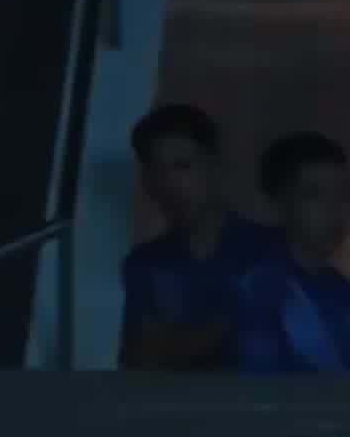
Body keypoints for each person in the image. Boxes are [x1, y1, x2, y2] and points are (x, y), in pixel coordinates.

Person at [119, 103, 278, 370]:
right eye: (155, 170)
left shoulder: (272, 249)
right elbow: (140, 359)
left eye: (183, 167)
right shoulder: (145, 263)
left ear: (214, 167)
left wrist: (178, 342)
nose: (169, 184)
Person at [235, 134, 350, 371]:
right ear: (278, 204)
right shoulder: (258, 290)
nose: (334, 210)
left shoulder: (340, 288)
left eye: (341, 195)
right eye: (314, 195)